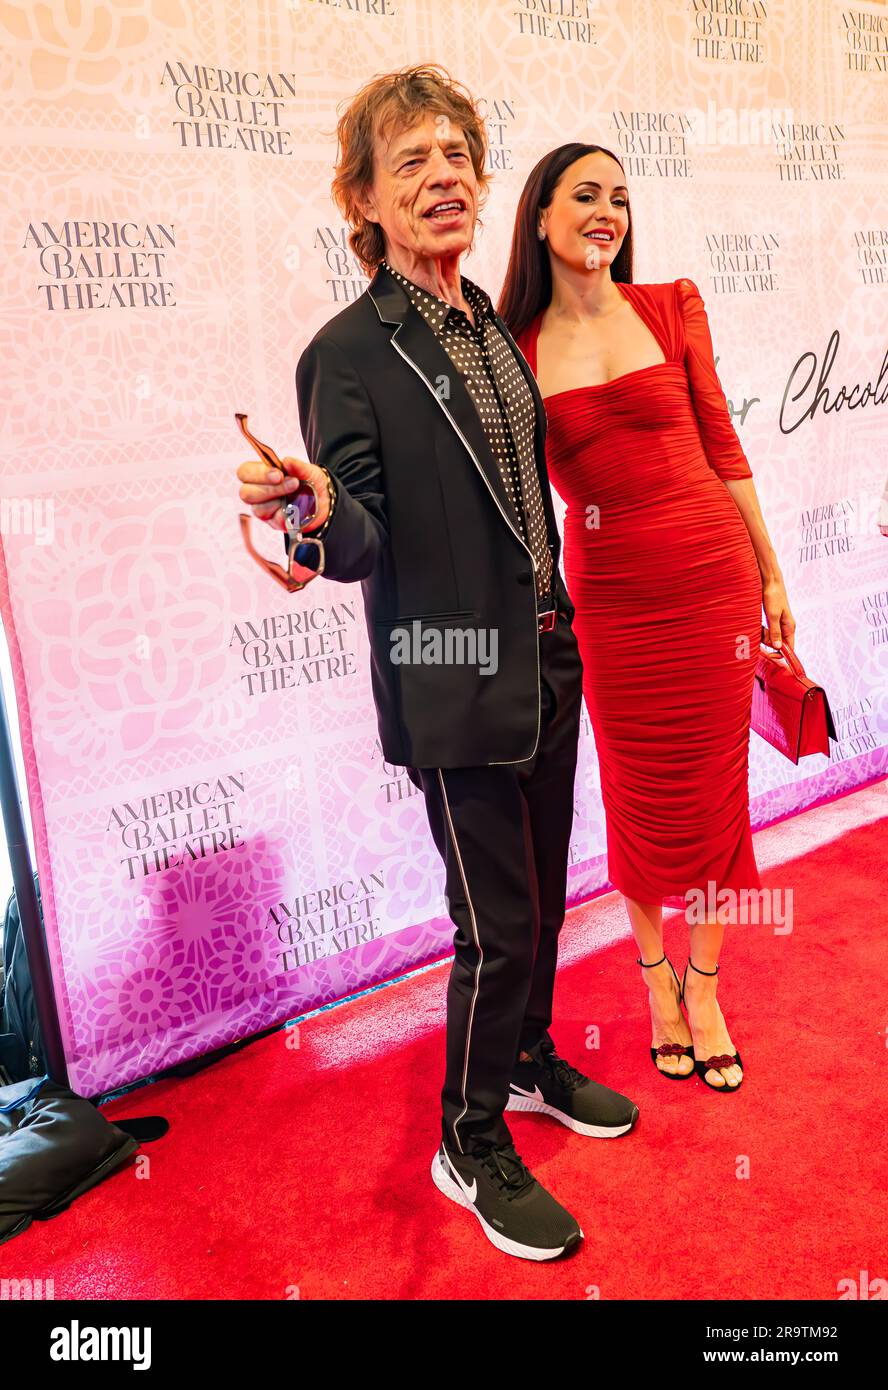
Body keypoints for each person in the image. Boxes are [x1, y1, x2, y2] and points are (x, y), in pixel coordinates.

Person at [236, 70, 638, 1261]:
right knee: (495, 923)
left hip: (548, 661)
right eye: (411, 160)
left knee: (547, 900)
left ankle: (522, 1062)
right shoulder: (347, 354)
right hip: (451, 681)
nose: (445, 175)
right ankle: (467, 1141)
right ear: (362, 198)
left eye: (458, 153)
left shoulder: (492, 331)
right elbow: (357, 527)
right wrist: (312, 516)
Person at [503, 143, 795, 1094]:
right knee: (634, 795)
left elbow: (723, 441)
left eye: (620, 198)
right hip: (615, 609)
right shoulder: (513, 344)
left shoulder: (671, 305)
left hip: (712, 582)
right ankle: (653, 981)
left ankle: (702, 987)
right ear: (540, 216)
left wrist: (769, 571)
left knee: (717, 792)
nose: (607, 213)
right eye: (585, 195)